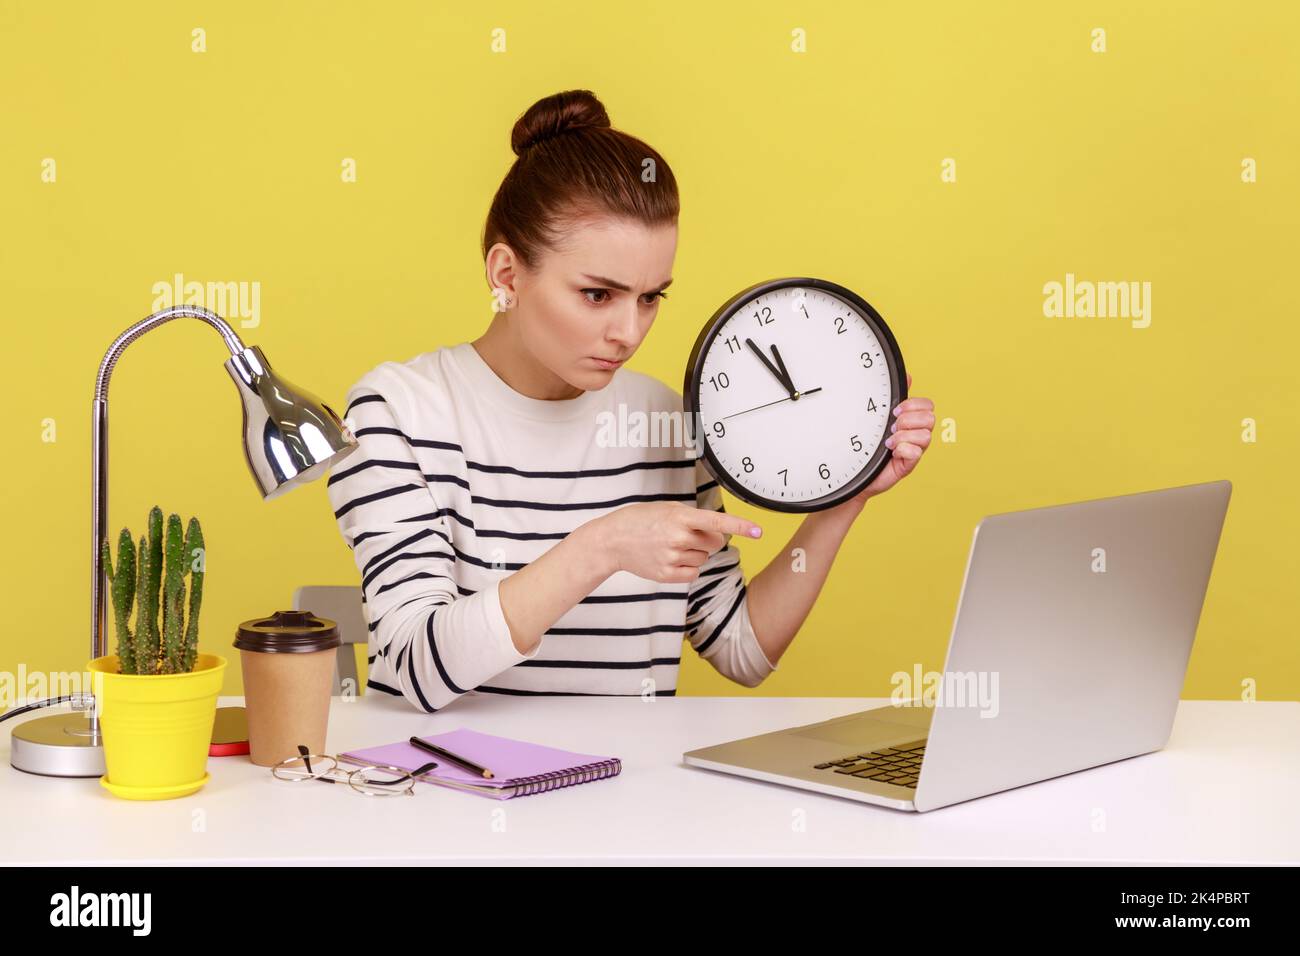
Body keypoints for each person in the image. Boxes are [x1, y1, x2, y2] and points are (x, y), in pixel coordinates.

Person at [326, 89, 934, 713]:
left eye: (650, 298)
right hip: (443, 791)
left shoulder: (666, 422)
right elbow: (418, 664)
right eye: (597, 295)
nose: (630, 332)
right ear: (507, 275)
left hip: (625, 800)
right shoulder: (396, 412)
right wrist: (604, 545)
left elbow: (742, 650)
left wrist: (847, 496)